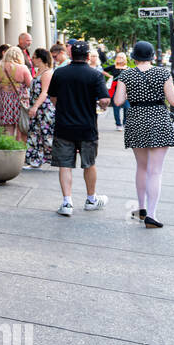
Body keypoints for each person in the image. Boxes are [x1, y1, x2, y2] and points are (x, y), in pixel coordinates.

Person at [113, 40, 174, 229]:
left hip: (136, 120)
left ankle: (141, 208)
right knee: (156, 171)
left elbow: (119, 100)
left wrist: (134, 92)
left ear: (134, 57)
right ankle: (152, 215)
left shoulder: (126, 74)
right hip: (159, 120)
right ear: (153, 56)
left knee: (142, 167)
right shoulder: (162, 73)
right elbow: (172, 100)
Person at [47, 41, 111, 216]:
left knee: (65, 165)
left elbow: (53, 98)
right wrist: (101, 104)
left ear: (71, 55)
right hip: (87, 127)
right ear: (88, 57)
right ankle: (91, 199)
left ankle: (67, 203)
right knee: (89, 164)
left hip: (64, 125)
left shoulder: (59, 73)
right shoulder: (95, 75)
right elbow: (105, 100)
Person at [0, 46, 32, 142]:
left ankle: (8, 150)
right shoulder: (23, 68)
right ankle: (18, 152)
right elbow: (31, 84)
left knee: (8, 128)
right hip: (20, 99)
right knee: (21, 126)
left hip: (4, 99)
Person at [24, 48, 55, 169]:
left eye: (34, 57)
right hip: (37, 107)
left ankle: (40, 159)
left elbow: (45, 92)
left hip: (44, 109)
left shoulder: (47, 73)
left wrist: (35, 107)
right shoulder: (38, 72)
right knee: (35, 134)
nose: (32, 59)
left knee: (44, 134)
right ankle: (35, 160)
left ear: (40, 59)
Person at [107, 52, 130, 127]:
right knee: (116, 108)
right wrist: (110, 76)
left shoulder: (128, 68)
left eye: (121, 57)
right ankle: (118, 124)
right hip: (115, 90)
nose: (119, 59)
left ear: (124, 59)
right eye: (118, 57)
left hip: (125, 90)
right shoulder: (113, 67)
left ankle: (125, 123)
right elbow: (103, 70)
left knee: (127, 107)